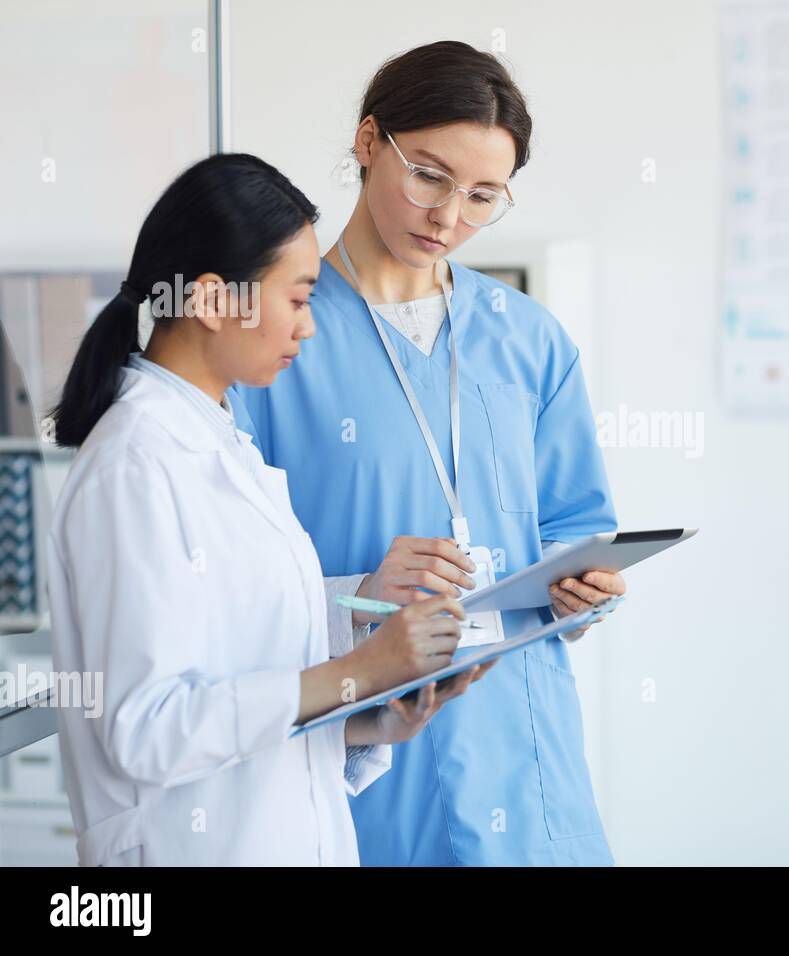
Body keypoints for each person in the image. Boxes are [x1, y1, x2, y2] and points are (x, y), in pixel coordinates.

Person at [231, 41, 626, 866]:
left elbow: (573, 525)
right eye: (430, 176)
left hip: (528, 763)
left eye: (484, 196)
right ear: (369, 142)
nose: (449, 217)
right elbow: (228, 594)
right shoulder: (273, 342)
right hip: (365, 762)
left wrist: (583, 588)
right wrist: (360, 597)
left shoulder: (528, 340)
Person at [47, 153, 486, 866]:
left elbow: (243, 661)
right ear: (217, 301)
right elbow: (148, 729)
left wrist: (368, 706)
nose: (307, 329)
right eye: (299, 297)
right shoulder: (134, 464)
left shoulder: (220, 445)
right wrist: (362, 671)